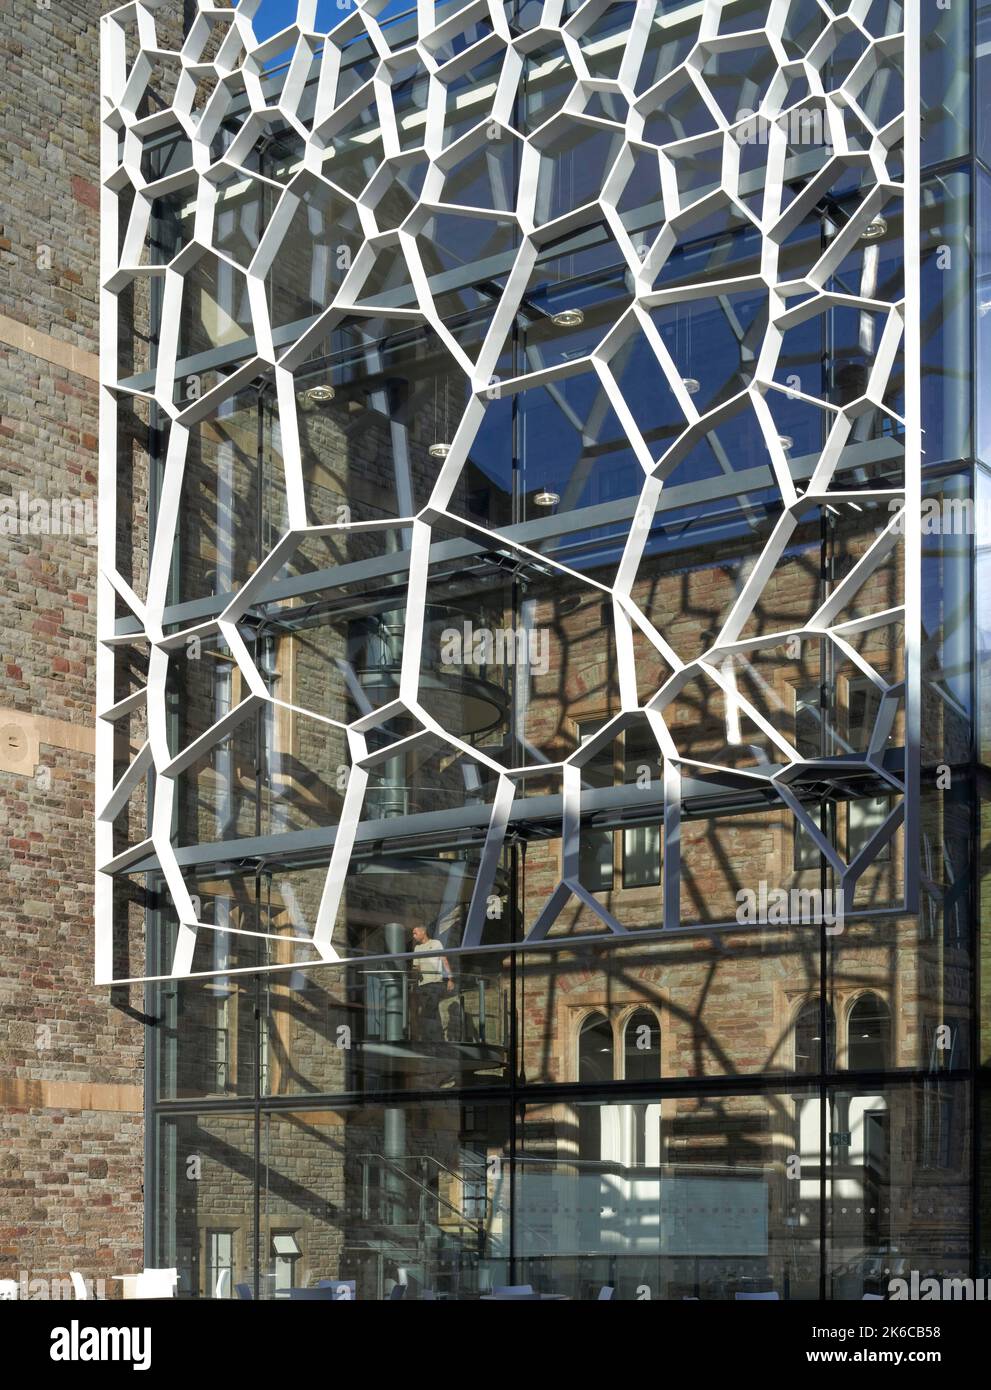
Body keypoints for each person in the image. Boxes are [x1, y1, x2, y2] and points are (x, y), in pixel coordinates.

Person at [411, 923, 454, 1042]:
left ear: (423, 932)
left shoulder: (436, 943)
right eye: (413, 934)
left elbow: (444, 960)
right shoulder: (417, 948)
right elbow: (416, 966)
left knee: (428, 1011)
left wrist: (450, 979)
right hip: (422, 985)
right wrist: (414, 976)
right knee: (432, 1012)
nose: (413, 936)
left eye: (415, 933)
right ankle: (438, 1039)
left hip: (435, 984)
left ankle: (427, 1038)